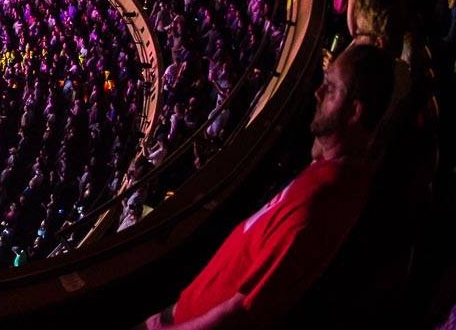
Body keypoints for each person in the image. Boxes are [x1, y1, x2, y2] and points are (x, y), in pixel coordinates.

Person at [146, 44, 394, 329]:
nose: (318, 92)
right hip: (186, 307)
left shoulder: (319, 203)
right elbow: (323, 146)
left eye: (331, 88)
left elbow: (238, 313)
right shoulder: (338, 165)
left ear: (354, 111)